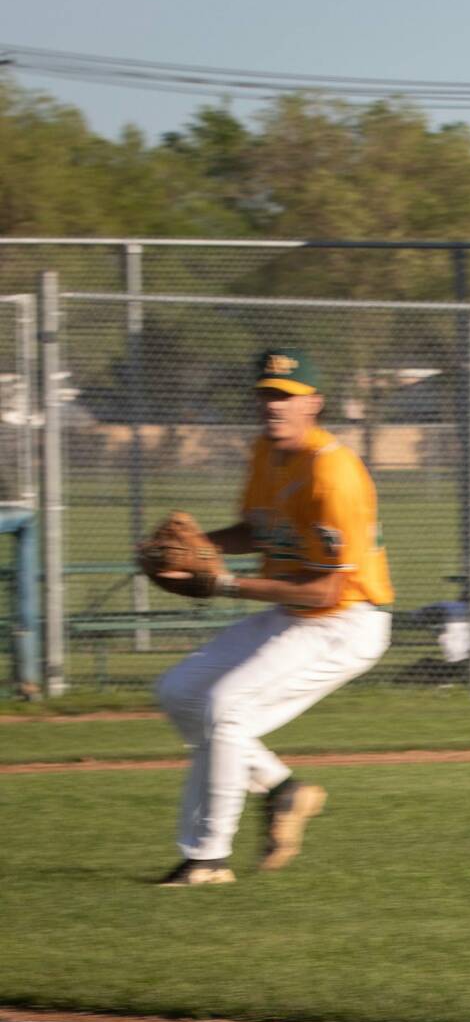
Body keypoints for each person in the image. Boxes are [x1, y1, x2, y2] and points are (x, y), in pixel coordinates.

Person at [150, 349, 394, 885]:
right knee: (180, 692)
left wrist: (224, 583)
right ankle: (283, 790)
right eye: (266, 394)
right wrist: (194, 549)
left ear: (315, 404)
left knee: (225, 708)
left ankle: (207, 859)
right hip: (296, 612)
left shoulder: (334, 473)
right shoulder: (264, 452)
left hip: (346, 620)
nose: (273, 406)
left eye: (286, 396)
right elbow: (256, 530)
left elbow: (327, 586)